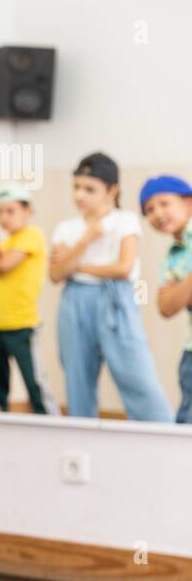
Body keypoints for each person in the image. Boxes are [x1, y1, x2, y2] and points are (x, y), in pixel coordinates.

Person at [49, 153, 171, 422]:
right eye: (76, 187)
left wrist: (76, 265)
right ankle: (81, 444)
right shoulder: (65, 228)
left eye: (89, 189)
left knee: (138, 377)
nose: (80, 195)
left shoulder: (125, 220)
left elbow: (123, 267)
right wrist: (87, 239)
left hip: (116, 299)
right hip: (74, 302)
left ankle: (162, 435)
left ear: (112, 190)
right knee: (76, 379)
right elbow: (56, 274)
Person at [0, 185, 57, 414]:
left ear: (28, 211)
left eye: (10, 211)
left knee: (35, 383)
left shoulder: (32, 236)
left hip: (21, 325)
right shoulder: (3, 244)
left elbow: (2, 265)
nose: (3, 218)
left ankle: (50, 425)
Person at [140, 174, 192, 422]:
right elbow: (166, 307)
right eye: (149, 209)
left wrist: (181, 289)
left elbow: (175, 299)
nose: (157, 213)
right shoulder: (172, 258)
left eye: (164, 203)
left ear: (188, 203)